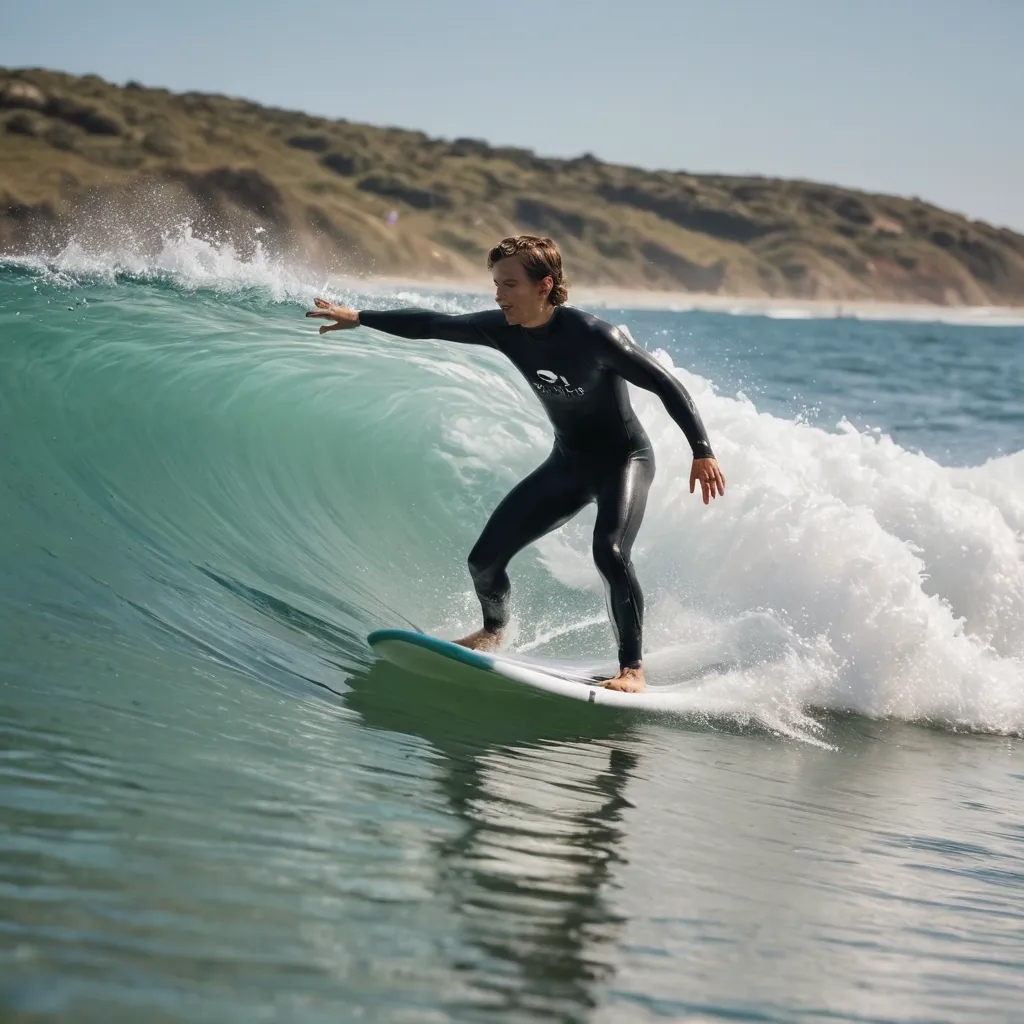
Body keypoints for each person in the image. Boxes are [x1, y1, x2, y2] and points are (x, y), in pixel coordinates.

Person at [305, 235, 725, 692]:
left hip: (623, 460)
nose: (498, 295)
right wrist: (360, 317)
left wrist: (701, 450)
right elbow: (433, 324)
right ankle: (492, 632)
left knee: (610, 552)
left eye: (508, 284)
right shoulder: (503, 329)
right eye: (496, 284)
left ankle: (632, 669)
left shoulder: (594, 337)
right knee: (484, 561)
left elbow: (666, 385)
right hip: (568, 461)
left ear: (544, 286)